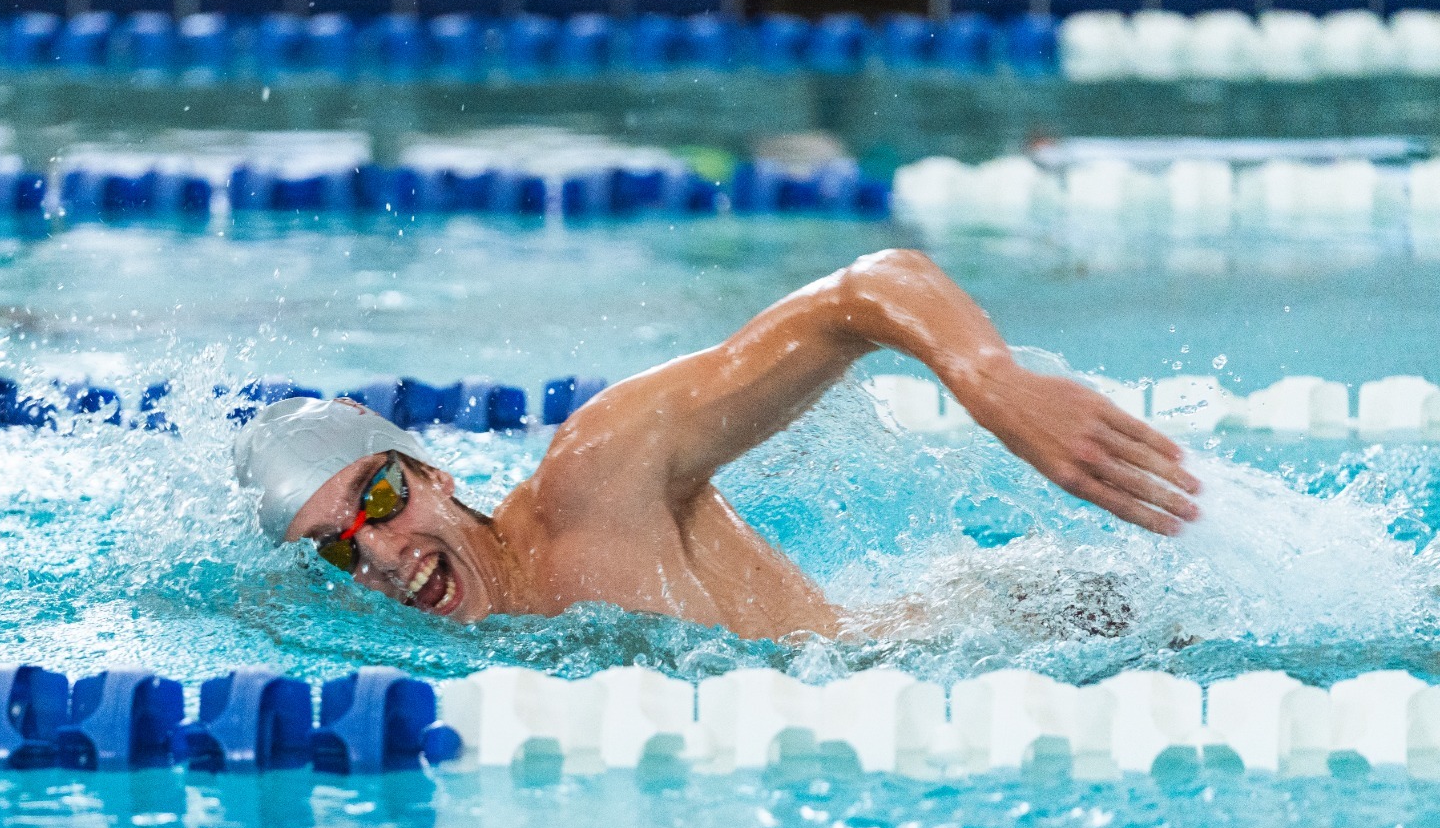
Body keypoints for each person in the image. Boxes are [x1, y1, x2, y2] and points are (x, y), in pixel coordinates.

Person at [233, 248, 1201, 642]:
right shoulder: (430, 649)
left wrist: (990, 384)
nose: (382, 555)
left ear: (431, 471)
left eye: (376, 501)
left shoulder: (595, 478)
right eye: (334, 545)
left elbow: (863, 291)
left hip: (1002, 631)